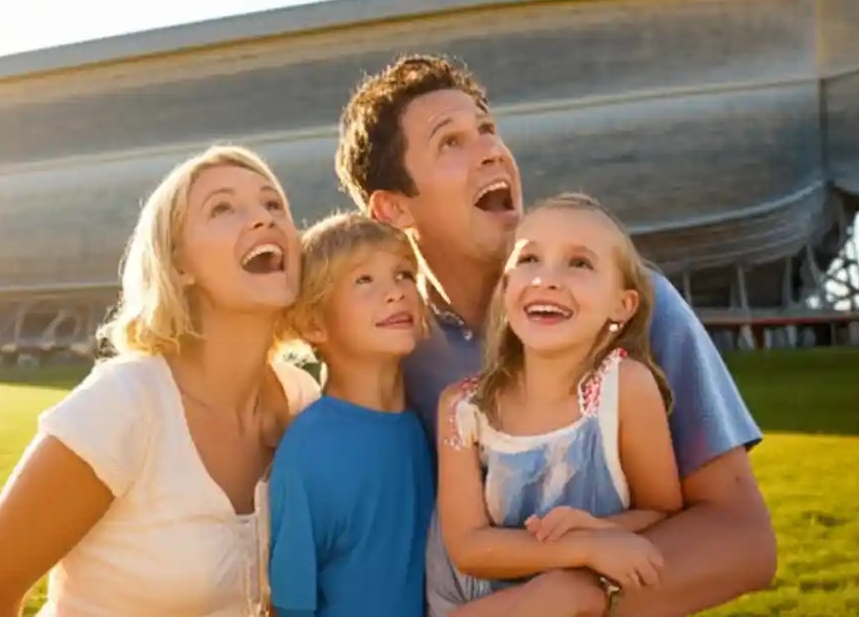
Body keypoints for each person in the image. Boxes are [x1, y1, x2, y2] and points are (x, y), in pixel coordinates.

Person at [334, 55, 776, 615]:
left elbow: (744, 540)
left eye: (488, 129)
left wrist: (574, 593)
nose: (492, 150)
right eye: (451, 142)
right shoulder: (391, 346)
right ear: (393, 207)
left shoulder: (637, 307)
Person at [0, 145, 321, 617]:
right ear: (180, 265)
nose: (263, 219)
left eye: (274, 205)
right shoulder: (124, 405)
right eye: (223, 208)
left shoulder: (301, 401)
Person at [435, 192, 684, 615]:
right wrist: (583, 547)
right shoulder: (462, 407)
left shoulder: (625, 388)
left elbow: (664, 511)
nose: (546, 279)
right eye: (528, 260)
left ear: (622, 305)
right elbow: (469, 547)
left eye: (580, 263)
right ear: (506, 288)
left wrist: (604, 530)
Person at [266, 213, 434, 616]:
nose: (395, 292)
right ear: (314, 324)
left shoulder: (426, 421)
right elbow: (290, 606)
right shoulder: (309, 454)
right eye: (364, 281)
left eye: (404, 275)